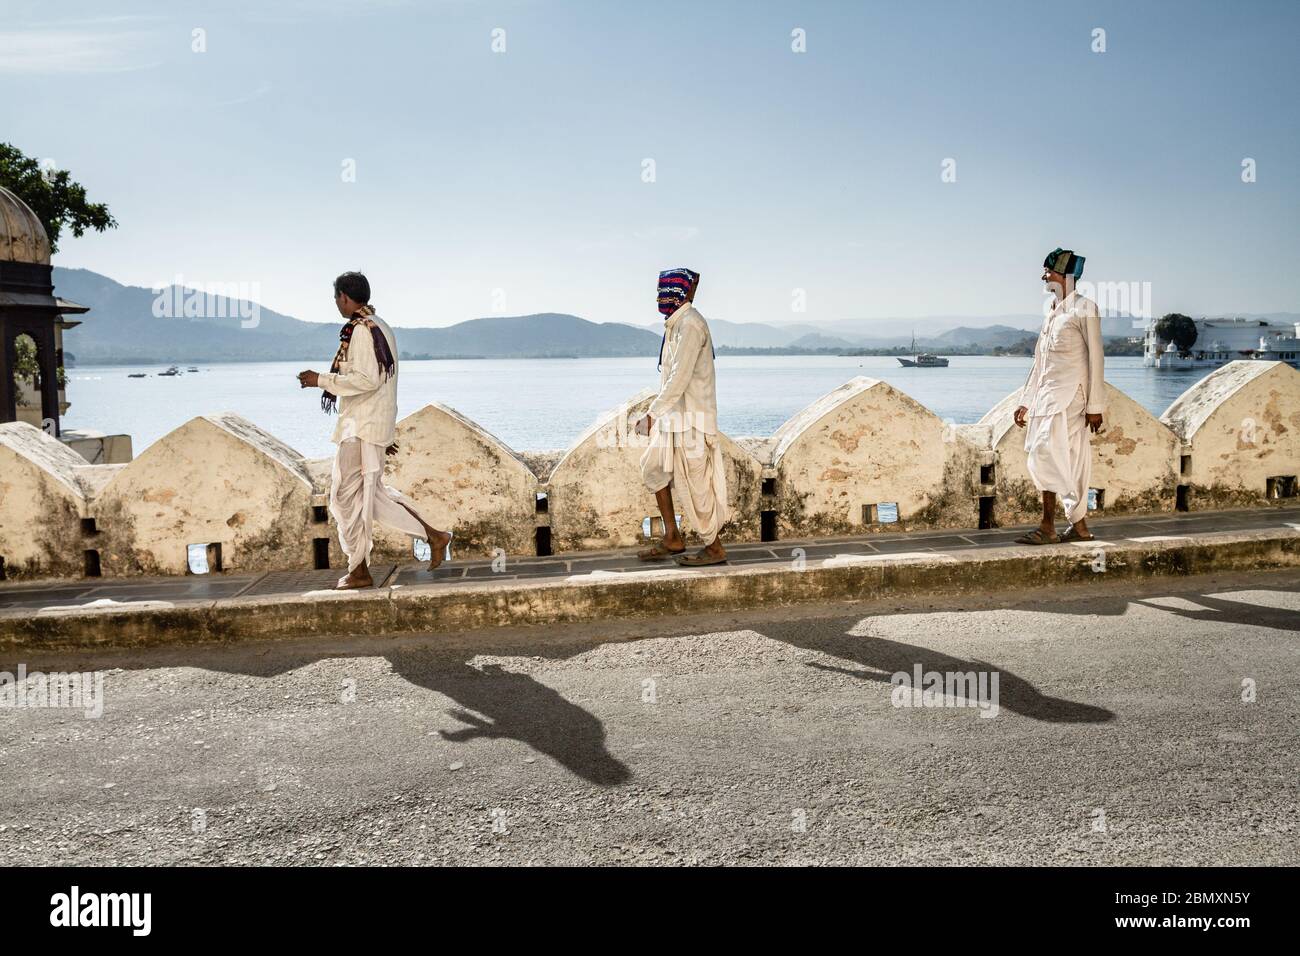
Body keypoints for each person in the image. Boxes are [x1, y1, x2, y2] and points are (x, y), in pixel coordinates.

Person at [297, 272, 452, 588]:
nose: (337, 303)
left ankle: (362, 568)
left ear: (343, 297)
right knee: (371, 495)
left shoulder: (362, 331)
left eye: (336, 298)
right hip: (371, 426)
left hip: (360, 428)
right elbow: (385, 383)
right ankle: (430, 537)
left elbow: (368, 381)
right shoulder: (379, 327)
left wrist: (321, 381)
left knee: (342, 498)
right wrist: (386, 431)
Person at [635, 267, 729, 567]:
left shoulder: (690, 325)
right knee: (652, 469)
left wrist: (651, 415)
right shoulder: (675, 324)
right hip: (674, 420)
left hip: (692, 421)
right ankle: (672, 536)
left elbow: (679, 377)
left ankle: (714, 547)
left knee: (697, 487)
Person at [1013, 248, 1105, 545]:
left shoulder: (1084, 309)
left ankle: (1048, 527)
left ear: (1065, 275)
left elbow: (1096, 360)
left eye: (1049, 272)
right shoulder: (1052, 313)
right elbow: (1040, 362)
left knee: (1054, 459)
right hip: (1047, 399)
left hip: (1072, 400)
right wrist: (1025, 401)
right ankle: (1079, 528)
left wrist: (1095, 406)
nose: (1044, 277)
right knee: (1060, 461)